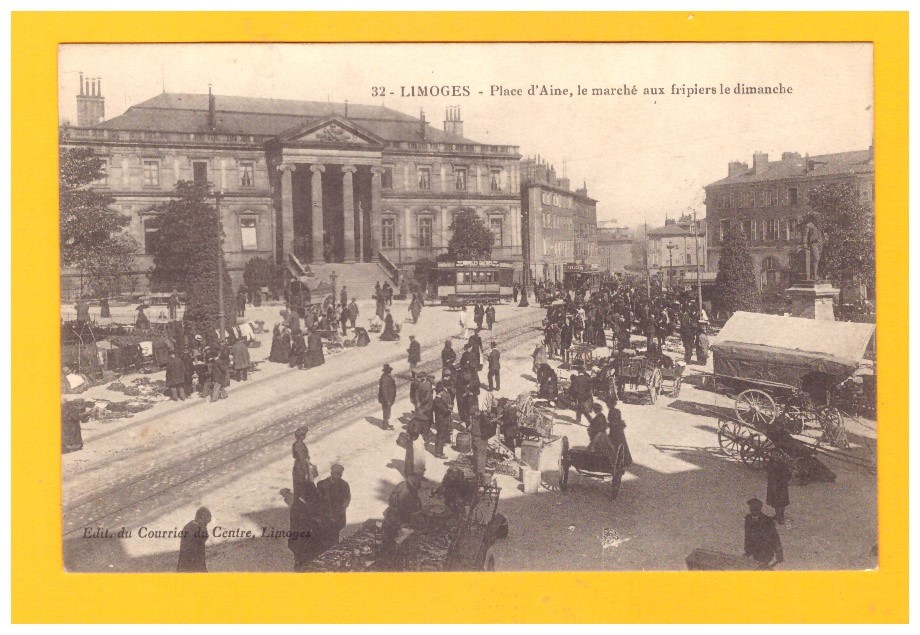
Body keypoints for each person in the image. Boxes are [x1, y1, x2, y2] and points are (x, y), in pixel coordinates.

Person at [744, 498, 784, 568]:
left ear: (759, 509)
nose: (752, 510)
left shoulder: (768, 521)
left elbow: (775, 537)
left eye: (754, 508)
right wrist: (747, 551)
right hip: (753, 552)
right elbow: (747, 536)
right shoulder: (748, 518)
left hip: (765, 552)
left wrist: (779, 554)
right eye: (751, 508)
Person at [316, 464, 351, 543]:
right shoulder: (321, 484)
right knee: (324, 538)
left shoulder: (344, 484)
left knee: (335, 537)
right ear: (332, 472)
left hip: (338, 517)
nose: (339, 475)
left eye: (340, 473)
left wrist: (338, 512)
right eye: (337, 473)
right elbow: (318, 501)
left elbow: (347, 499)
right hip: (325, 517)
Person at [177, 507, 211, 572]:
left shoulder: (188, 526)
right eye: (206, 522)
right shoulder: (197, 529)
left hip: (185, 565)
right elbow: (204, 537)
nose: (206, 524)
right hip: (192, 565)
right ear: (202, 518)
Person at [766, 455, 792, 524]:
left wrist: (783, 482)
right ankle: (778, 515)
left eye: (777, 456)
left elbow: (788, 475)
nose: (775, 458)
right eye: (774, 456)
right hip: (775, 485)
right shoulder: (771, 463)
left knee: (779, 502)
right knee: (776, 501)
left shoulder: (782, 465)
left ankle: (781, 517)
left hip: (780, 486)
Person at [433, 381, 452, 459]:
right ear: (440, 392)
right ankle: (439, 453)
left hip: (439, 420)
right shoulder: (438, 401)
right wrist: (449, 410)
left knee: (440, 436)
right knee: (440, 436)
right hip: (441, 421)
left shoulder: (437, 400)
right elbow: (445, 411)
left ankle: (439, 451)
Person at [292, 426, 312, 499]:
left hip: (298, 466)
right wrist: (306, 471)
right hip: (301, 467)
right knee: (302, 485)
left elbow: (294, 456)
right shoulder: (300, 445)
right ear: (302, 436)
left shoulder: (295, 444)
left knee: (298, 485)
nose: (305, 436)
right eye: (304, 435)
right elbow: (301, 459)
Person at [378, 364, 396, 430]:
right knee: (386, 411)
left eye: (390, 371)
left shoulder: (386, 376)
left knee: (387, 411)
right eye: (389, 371)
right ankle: (385, 426)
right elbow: (384, 390)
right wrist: (387, 400)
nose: (390, 372)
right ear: (386, 371)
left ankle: (386, 424)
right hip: (386, 399)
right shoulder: (385, 378)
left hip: (388, 398)